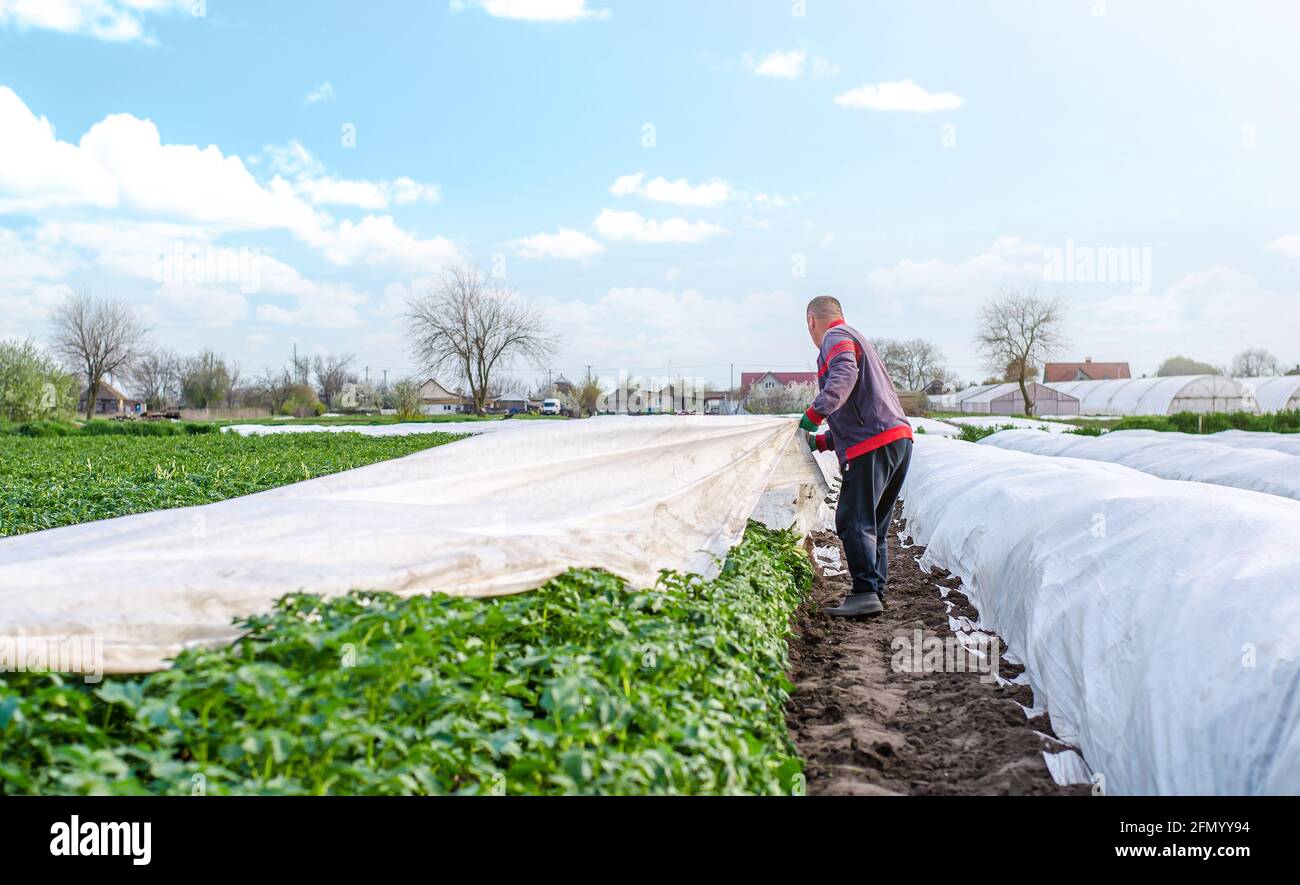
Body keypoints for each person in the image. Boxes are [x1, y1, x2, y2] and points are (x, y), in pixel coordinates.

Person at [798, 296, 913, 617]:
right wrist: (822, 442)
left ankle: (865, 593)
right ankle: (874, 591)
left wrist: (814, 414)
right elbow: (864, 407)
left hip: (874, 444)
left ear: (811, 320)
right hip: (897, 441)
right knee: (873, 523)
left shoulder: (835, 337)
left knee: (851, 518)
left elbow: (844, 377)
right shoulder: (859, 339)